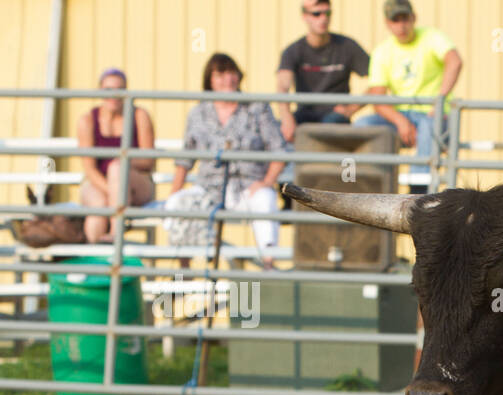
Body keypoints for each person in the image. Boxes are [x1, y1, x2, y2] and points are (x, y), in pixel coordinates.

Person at [164, 54, 288, 269]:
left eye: (232, 73)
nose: (227, 79)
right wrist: (175, 191)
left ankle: (269, 266)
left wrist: (267, 182)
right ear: (209, 80)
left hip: (248, 187)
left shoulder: (257, 108)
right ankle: (183, 271)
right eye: (220, 74)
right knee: (177, 204)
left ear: (239, 77)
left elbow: (278, 149)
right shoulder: (198, 113)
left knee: (266, 200)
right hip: (208, 188)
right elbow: (185, 158)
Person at [357, 0, 462, 194]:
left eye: (404, 18)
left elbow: (454, 61)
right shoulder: (382, 51)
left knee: (428, 127)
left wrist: (439, 101)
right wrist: (401, 121)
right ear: (387, 23)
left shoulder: (431, 37)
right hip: (402, 118)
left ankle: (418, 193)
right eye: (395, 20)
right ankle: (372, 186)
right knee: (362, 125)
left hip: (432, 116)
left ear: (413, 18)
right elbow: (377, 98)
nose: (401, 25)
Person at [76, 68, 156, 242]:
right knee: (97, 209)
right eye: (108, 90)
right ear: (100, 91)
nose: (114, 95)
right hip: (100, 184)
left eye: (119, 89)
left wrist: (120, 171)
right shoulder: (87, 121)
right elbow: (89, 169)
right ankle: (94, 259)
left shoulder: (139, 116)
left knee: (117, 167)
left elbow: (148, 161)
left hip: (136, 183)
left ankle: (115, 236)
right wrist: (112, 191)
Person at [276, 0, 370, 143]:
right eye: (316, 14)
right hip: (305, 114)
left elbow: (379, 81)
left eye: (327, 13)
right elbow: (282, 86)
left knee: (330, 126)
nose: (323, 18)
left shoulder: (347, 46)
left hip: (335, 117)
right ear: (304, 16)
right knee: (277, 134)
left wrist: (351, 109)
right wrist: (286, 118)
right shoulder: (293, 51)